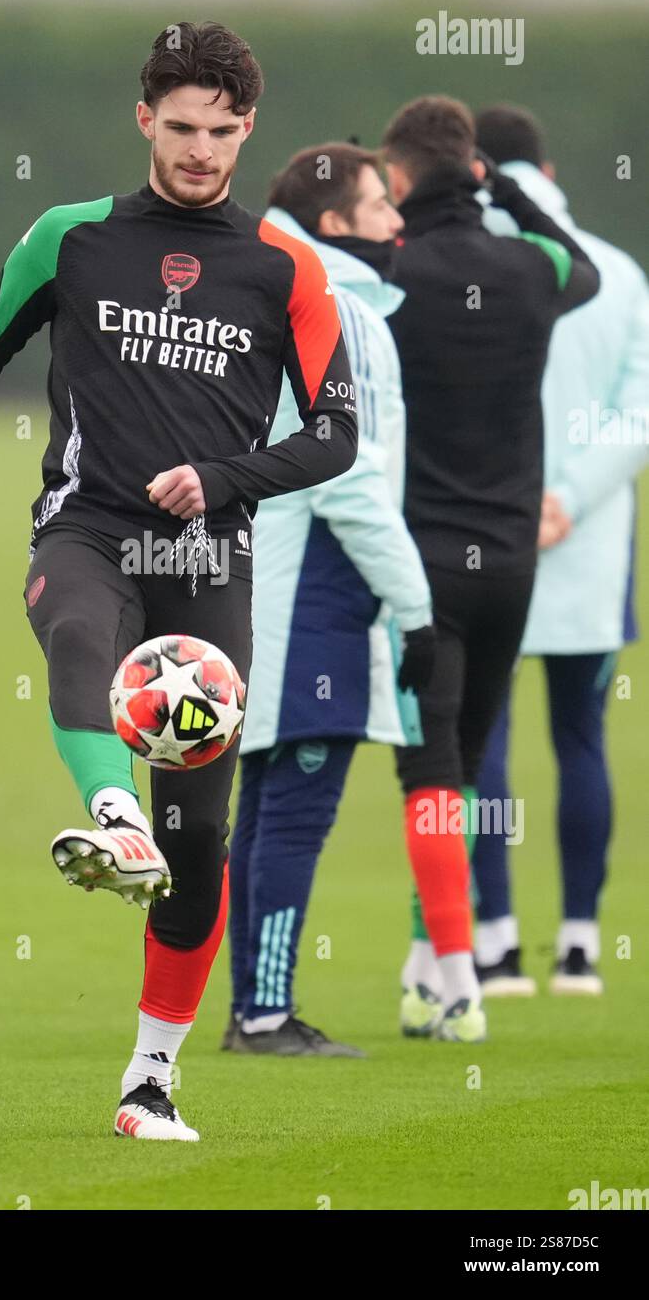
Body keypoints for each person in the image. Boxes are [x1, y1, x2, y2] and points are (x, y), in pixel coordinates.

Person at [0, 22, 358, 1141]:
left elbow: (339, 436)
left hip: (208, 559)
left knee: (201, 843)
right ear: (144, 117)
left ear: (247, 128)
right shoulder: (68, 239)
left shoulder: (287, 268)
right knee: (73, 630)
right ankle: (112, 813)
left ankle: (150, 1079)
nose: (200, 150)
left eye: (220, 131)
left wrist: (221, 476)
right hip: (88, 528)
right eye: (180, 126)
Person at [381, 96, 600, 1042]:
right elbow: (581, 266)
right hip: (512, 561)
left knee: (430, 771)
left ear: (397, 179)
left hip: (416, 561)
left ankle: (461, 980)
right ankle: (431, 969)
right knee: (465, 768)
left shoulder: (390, 274)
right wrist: (510, 191)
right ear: (475, 174)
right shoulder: (530, 266)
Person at [223, 143, 434, 1056]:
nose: (398, 220)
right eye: (381, 204)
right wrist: (417, 605)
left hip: (270, 584)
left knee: (264, 808)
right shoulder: (339, 307)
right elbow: (350, 478)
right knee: (292, 816)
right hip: (320, 594)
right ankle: (264, 1014)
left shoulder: (277, 290)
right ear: (337, 222)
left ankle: (254, 1009)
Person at [470, 103, 649, 997]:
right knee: (583, 738)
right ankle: (581, 943)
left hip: (482, 536)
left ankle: (495, 942)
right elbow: (639, 417)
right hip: (589, 540)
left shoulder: (471, 267)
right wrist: (570, 499)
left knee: (485, 743)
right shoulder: (617, 272)